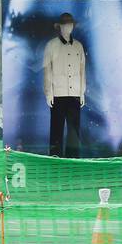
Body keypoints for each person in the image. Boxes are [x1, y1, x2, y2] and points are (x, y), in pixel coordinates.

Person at [43, 12, 86, 157]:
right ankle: (55, 160)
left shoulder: (78, 46)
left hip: (74, 94)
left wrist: (81, 93)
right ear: (60, 26)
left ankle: (73, 161)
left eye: (70, 24)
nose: (68, 27)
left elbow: (82, 71)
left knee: (74, 130)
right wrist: (48, 93)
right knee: (56, 129)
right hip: (58, 94)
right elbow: (47, 71)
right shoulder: (51, 45)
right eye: (65, 24)